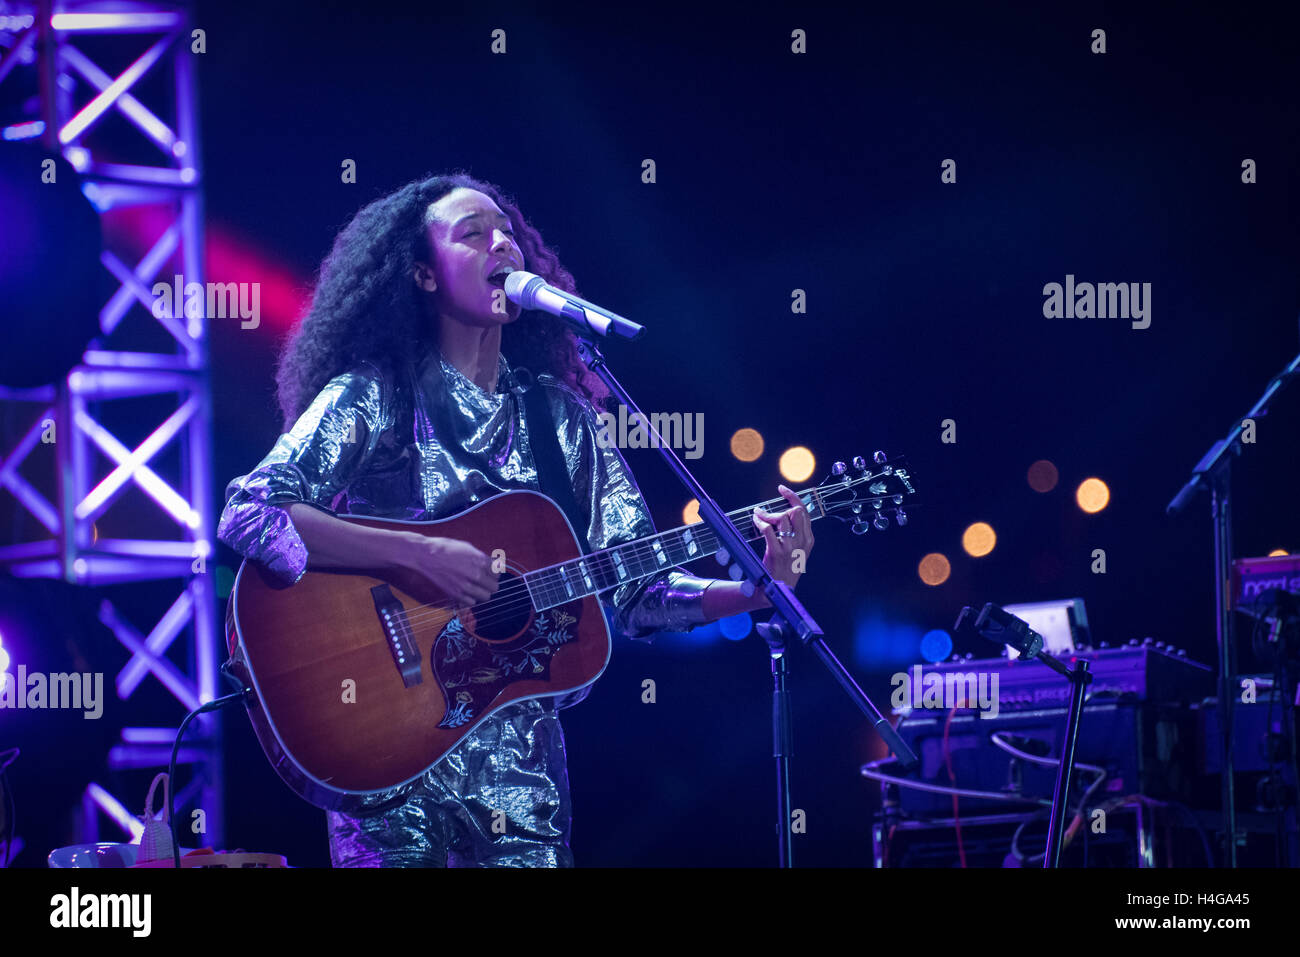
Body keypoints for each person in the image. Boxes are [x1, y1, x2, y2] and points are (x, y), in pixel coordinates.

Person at [217, 172, 814, 867]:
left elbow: (639, 591)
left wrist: (754, 590)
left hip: (524, 781)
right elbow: (253, 509)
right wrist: (415, 557)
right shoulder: (375, 395)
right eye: (472, 233)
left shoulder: (562, 418)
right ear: (422, 275)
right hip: (385, 758)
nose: (502, 242)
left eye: (509, 233)